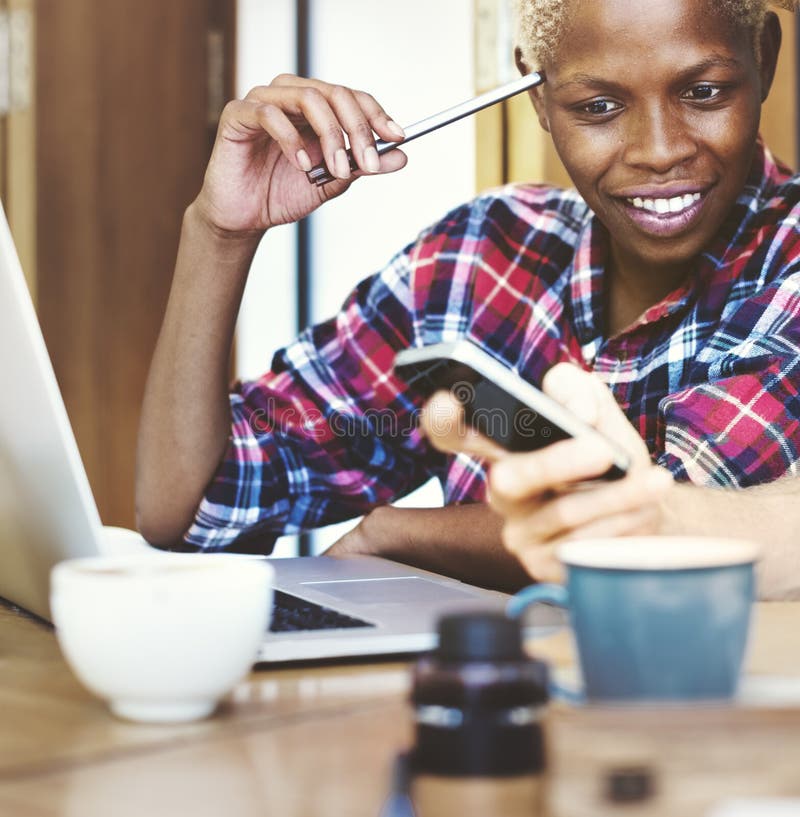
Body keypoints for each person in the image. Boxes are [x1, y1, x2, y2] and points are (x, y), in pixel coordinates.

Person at [136, 0, 800, 594]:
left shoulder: (788, 271)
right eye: (597, 106)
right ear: (538, 95)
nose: (659, 151)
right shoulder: (480, 259)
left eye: (705, 91)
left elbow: (645, 533)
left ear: (764, 59)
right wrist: (218, 232)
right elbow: (190, 508)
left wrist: (395, 533)